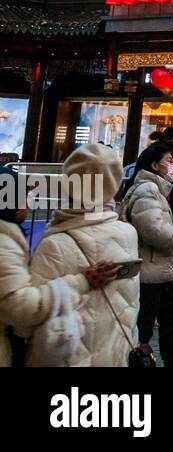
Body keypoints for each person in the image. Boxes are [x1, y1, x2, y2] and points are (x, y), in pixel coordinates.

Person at [28, 143, 141, 366]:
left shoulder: (56, 243)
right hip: (118, 355)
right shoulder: (128, 233)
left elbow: (28, 318)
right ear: (115, 184)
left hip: (67, 359)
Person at [1, 163, 119, 367]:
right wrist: (80, 282)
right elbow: (19, 306)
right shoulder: (4, 245)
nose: (28, 203)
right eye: (23, 196)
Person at [122, 142, 173, 367]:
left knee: (168, 324)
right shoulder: (148, 191)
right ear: (155, 165)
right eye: (169, 162)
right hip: (151, 274)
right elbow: (153, 230)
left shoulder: (156, 190)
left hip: (160, 271)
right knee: (147, 328)